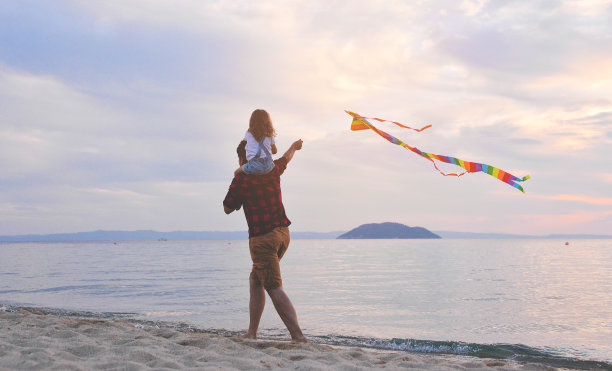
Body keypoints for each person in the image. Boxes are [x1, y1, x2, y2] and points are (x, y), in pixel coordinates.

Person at [223, 137, 307, 343]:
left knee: (273, 286)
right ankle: (252, 333)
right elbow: (286, 158)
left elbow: (227, 207)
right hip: (283, 234)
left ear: (244, 157)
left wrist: (240, 176)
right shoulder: (272, 170)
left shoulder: (242, 178)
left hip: (263, 238)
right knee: (256, 280)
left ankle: (298, 336)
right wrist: (294, 146)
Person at [234, 109, 278, 177]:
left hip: (254, 166)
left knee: (236, 172)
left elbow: (243, 144)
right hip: (269, 166)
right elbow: (275, 151)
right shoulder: (270, 135)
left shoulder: (249, 133)